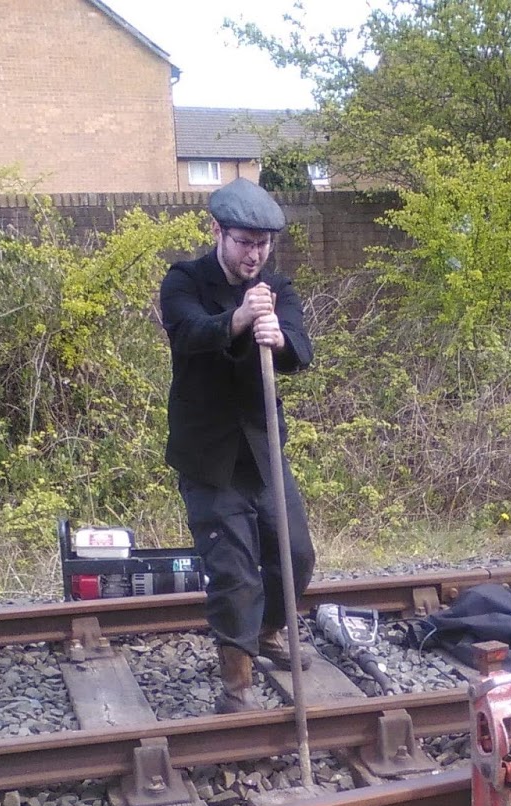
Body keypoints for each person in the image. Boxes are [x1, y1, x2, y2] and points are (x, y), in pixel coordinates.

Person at [160, 177, 316, 713]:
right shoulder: (184, 281)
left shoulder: (277, 290)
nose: (255, 254)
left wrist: (281, 338)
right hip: (208, 453)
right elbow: (189, 334)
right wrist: (238, 320)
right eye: (245, 242)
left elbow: (301, 349)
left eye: (263, 243)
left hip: (263, 449)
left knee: (294, 554)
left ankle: (270, 632)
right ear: (218, 233)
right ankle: (238, 683)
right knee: (233, 570)